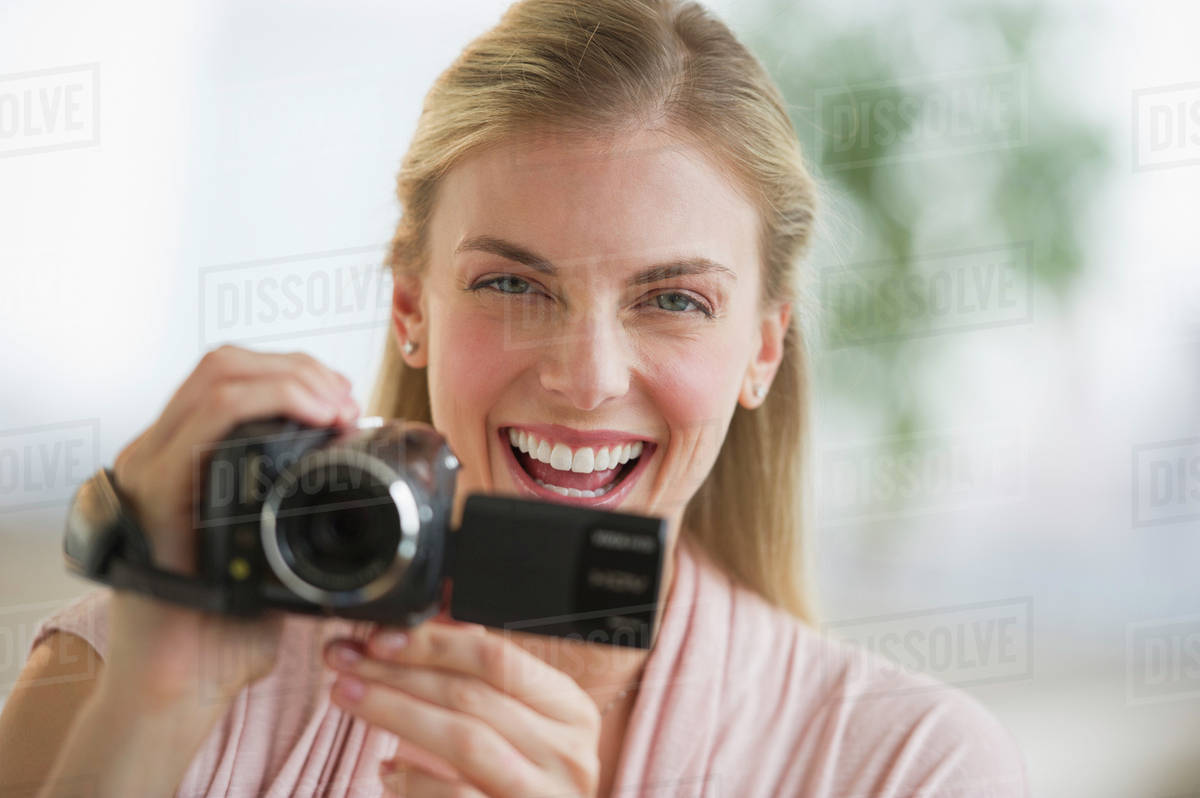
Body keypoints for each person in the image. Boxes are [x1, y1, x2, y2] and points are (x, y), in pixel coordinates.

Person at [0, 0, 1030, 796]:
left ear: (762, 349)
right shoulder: (119, 674)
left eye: (672, 299)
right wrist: (146, 717)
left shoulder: (912, 769)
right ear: (412, 305)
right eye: (511, 284)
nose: (585, 379)